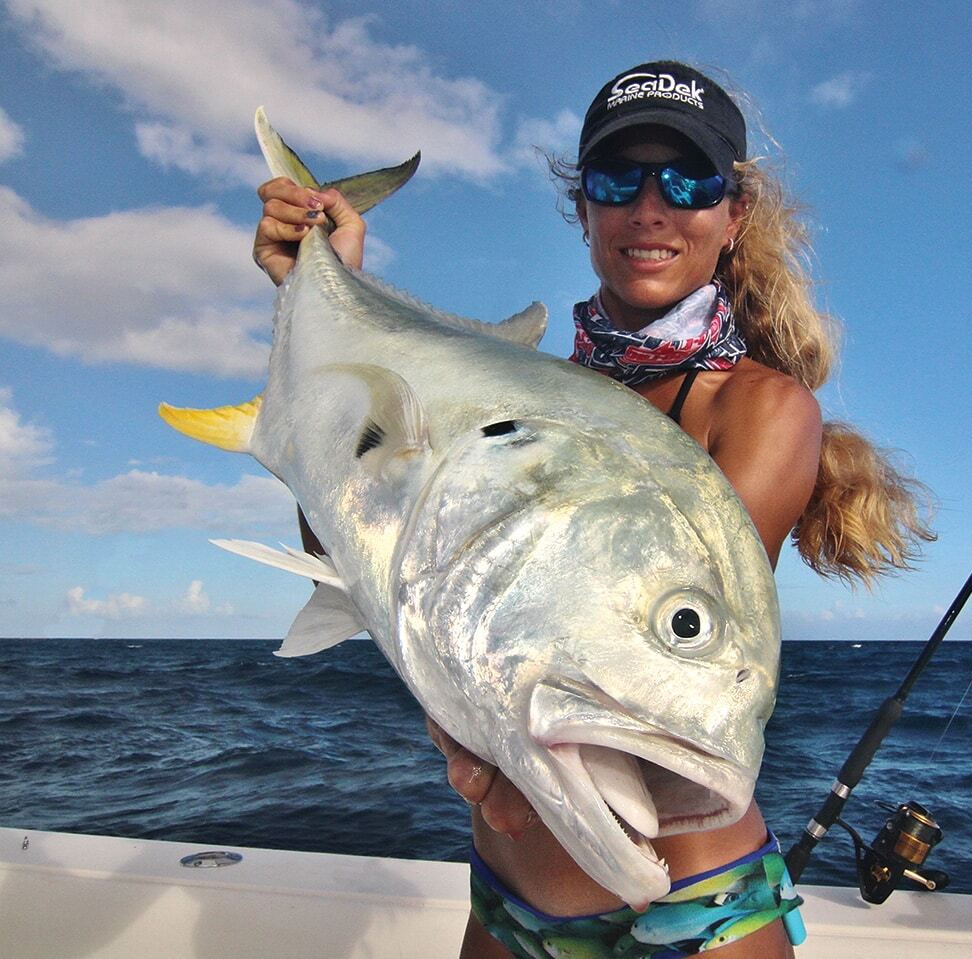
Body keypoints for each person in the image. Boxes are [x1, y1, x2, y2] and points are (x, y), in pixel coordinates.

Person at [254, 60, 931, 958]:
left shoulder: (762, 411)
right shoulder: (519, 402)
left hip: (698, 903)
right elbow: (361, 549)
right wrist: (311, 293)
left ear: (734, 217)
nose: (651, 208)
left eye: (689, 181)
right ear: (585, 212)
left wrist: (467, 723)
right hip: (510, 898)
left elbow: (663, 620)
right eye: (620, 180)